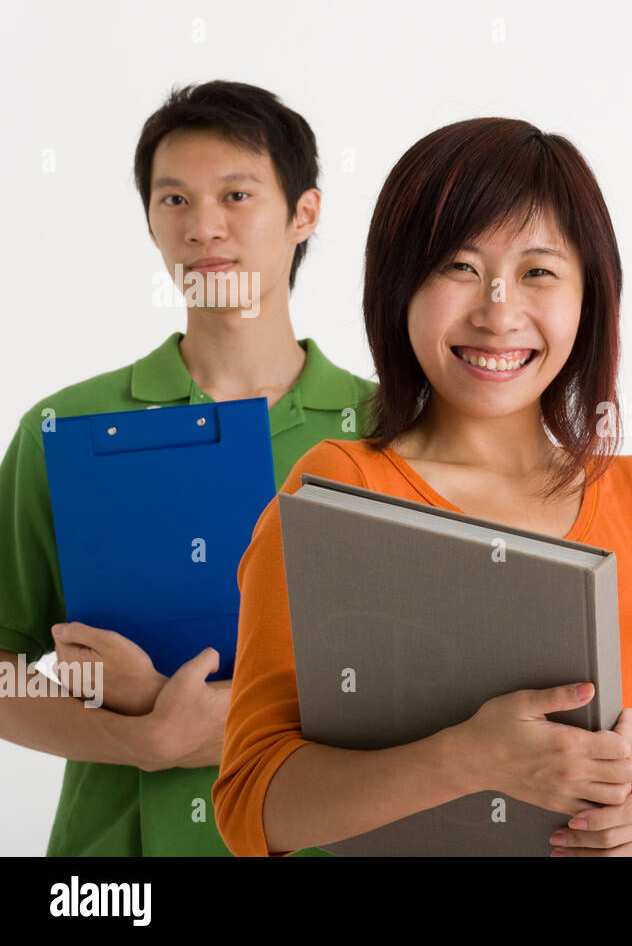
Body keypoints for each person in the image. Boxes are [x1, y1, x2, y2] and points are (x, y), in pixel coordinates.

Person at [211, 117, 632, 857]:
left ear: (590, 298)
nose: (499, 313)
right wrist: (467, 759)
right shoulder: (340, 489)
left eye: (539, 272)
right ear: (398, 287)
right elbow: (251, 802)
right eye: (459, 268)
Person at [0, 80, 376, 856]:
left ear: (304, 213)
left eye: (236, 194)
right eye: (174, 201)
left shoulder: (388, 432)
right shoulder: (63, 428)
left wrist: (223, 721)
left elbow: (433, 671)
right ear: (149, 223)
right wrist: (147, 741)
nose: (204, 226)